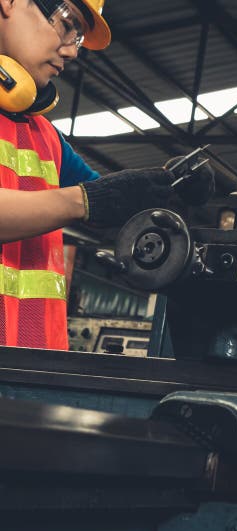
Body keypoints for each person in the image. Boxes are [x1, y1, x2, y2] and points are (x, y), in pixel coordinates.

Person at [0, 0, 202, 350]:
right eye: (66, 25)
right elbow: (87, 200)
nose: (72, 52)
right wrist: (82, 201)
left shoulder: (43, 138)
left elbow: (107, 206)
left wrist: (168, 188)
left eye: (76, 39)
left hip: (30, 375)